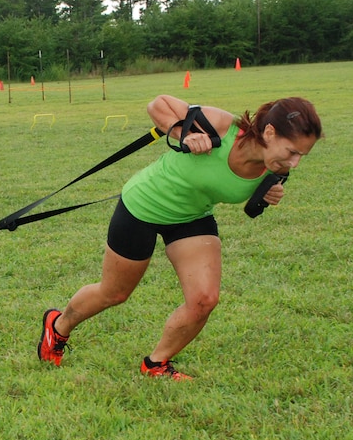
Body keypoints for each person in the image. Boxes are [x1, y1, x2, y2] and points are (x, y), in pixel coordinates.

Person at [37, 94, 323, 379]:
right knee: (114, 293)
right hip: (143, 206)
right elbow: (157, 104)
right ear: (269, 132)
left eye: (302, 155)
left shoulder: (277, 169)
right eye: (292, 152)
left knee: (204, 300)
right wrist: (182, 133)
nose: (295, 163)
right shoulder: (221, 126)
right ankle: (58, 327)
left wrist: (269, 194)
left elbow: (250, 202)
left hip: (191, 218)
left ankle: (156, 364)